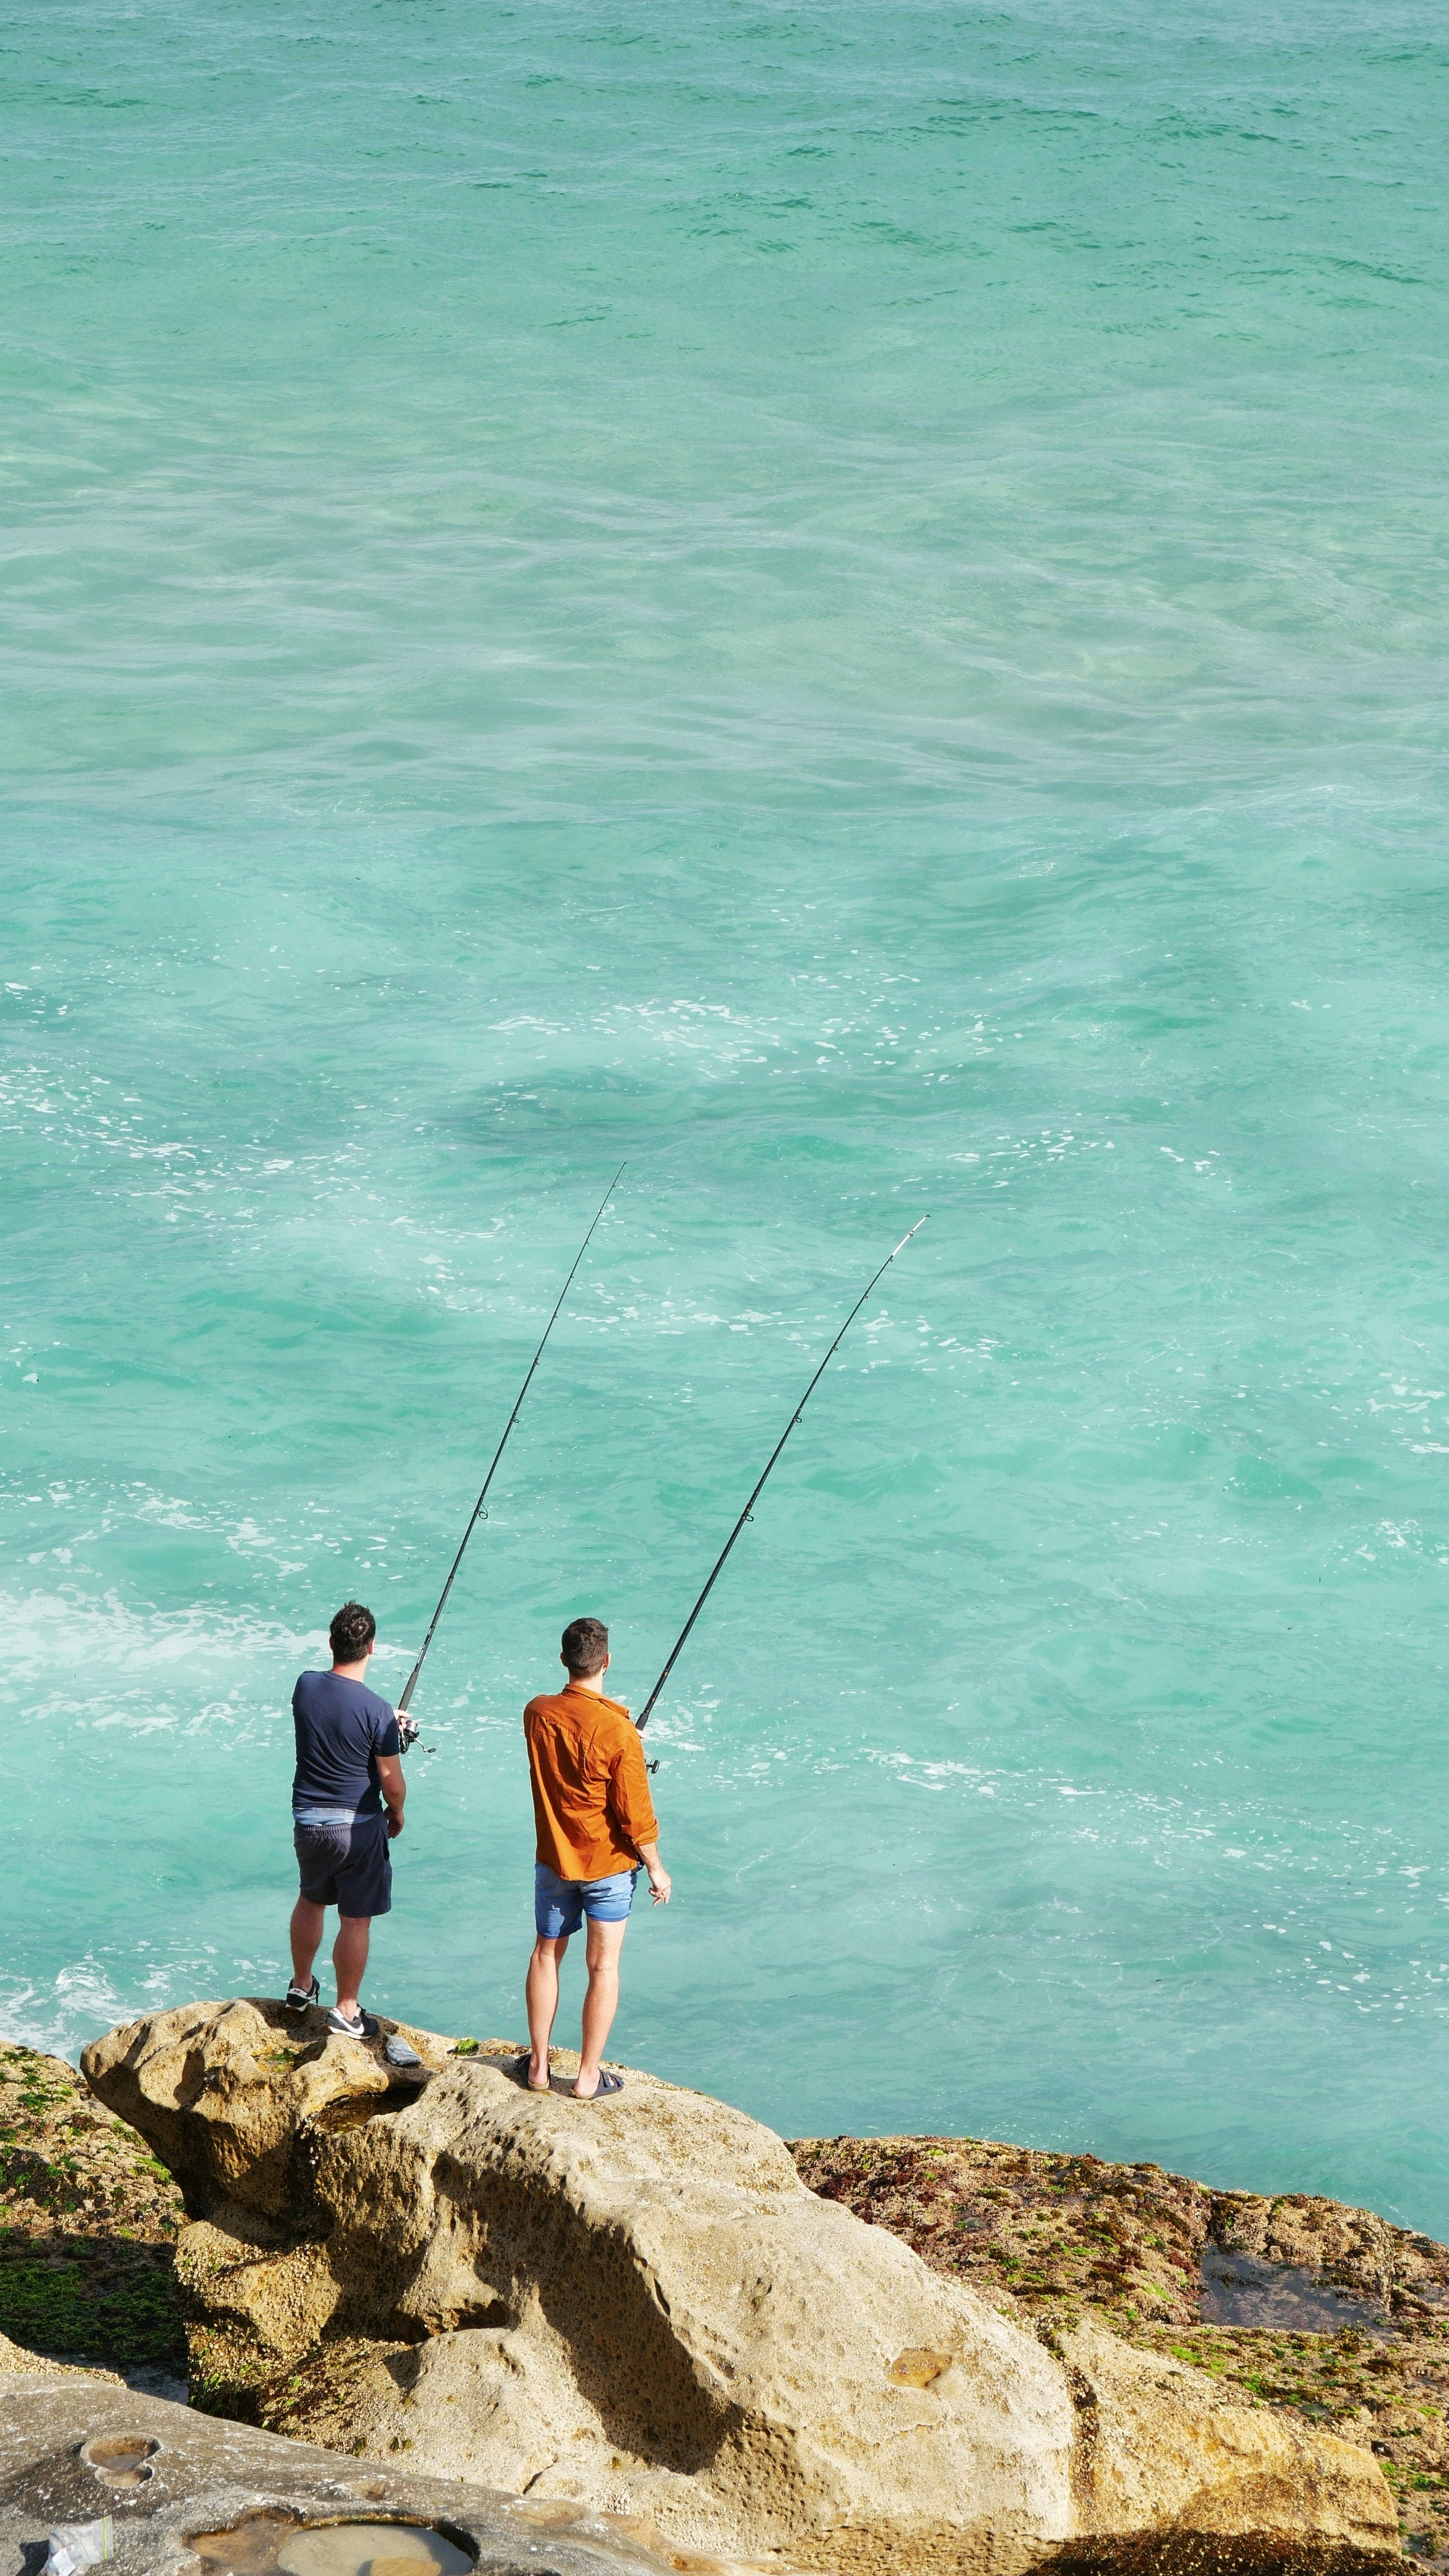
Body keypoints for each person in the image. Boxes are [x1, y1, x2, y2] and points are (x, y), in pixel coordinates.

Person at [523, 1615, 670, 2100]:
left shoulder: (536, 1713)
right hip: (608, 1867)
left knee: (546, 1953)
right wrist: (657, 1869)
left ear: (563, 1659)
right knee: (603, 1967)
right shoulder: (618, 1732)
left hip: (555, 1860)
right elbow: (636, 1817)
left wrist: (622, 1735)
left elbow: (573, 1738)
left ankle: (539, 2067)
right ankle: (587, 2077)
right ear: (607, 1661)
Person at [284, 1601, 405, 2039]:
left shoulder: (306, 1686)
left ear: (331, 1642)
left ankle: (301, 1984)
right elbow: (392, 1784)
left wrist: (388, 1726)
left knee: (311, 1900)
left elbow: (338, 1720)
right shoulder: (378, 1710)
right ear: (371, 1647)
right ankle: (347, 2010)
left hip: (308, 1821)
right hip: (355, 1827)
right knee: (355, 1920)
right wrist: (397, 1811)